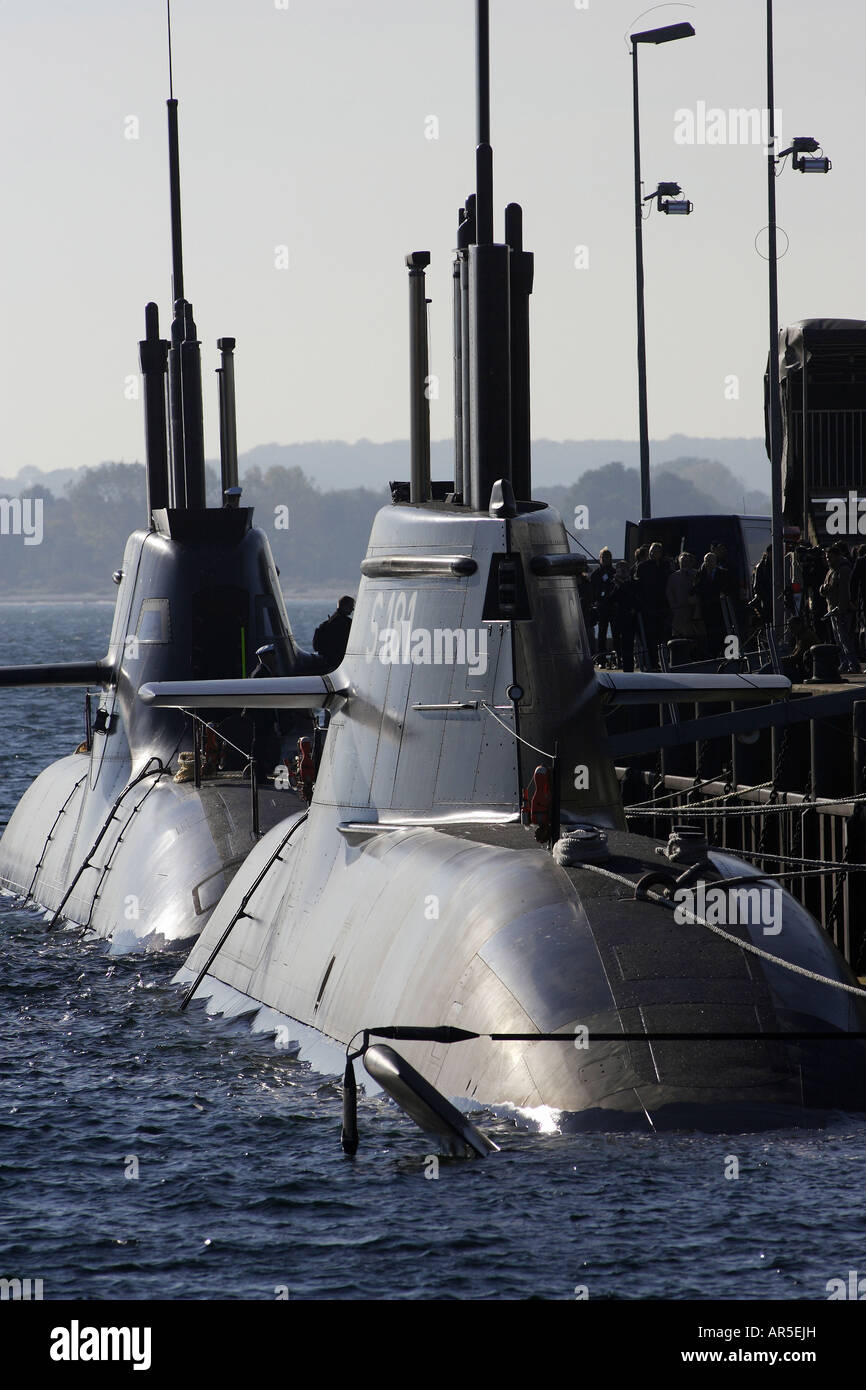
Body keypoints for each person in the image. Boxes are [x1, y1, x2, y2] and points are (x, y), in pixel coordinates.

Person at [820, 546, 860, 673]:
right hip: (832, 609)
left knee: (846, 639)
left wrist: (841, 609)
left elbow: (845, 592)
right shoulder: (831, 571)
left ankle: (853, 664)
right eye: (827, 557)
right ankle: (844, 662)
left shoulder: (843, 570)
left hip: (841, 611)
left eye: (830, 557)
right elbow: (825, 587)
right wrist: (823, 589)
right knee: (839, 640)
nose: (828, 560)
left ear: (837, 556)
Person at [635, 542, 671, 668]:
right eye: (652, 551)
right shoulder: (643, 566)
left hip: (664, 605)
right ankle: (653, 662)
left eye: (657, 551)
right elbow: (639, 587)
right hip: (649, 607)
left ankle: (667, 661)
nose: (654, 553)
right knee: (651, 637)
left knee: (664, 635)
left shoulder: (666, 566)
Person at [610, 560, 641, 672]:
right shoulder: (613, 583)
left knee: (629, 644)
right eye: (619, 568)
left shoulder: (634, 582)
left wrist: (634, 609)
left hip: (631, 618)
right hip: (618, 618)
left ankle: (629, 668)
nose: (622, 571)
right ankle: (620, 662)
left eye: (624, 568)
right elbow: (610, 599)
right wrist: (618, 586)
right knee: (618, 644)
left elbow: (637, 599)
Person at [313, 595, 355, 668]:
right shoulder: (347, 623)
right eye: (351, 606)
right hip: (337, 662)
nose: (353, 609)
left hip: (327, 660)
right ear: (344, 606)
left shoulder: (327, 623)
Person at [589, 548, 616, 657]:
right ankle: (601, 657)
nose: (605, 559)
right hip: (602, 607)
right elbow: (593, 590)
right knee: (602, 632)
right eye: (603, 557)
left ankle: (617, 656)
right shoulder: (596, 574)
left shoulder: (614, 572)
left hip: (614, 606)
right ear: (600, 558)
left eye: (608, 557)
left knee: (616, 632)